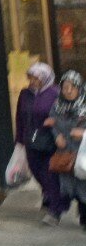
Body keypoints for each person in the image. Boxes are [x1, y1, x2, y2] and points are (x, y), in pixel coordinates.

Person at [14, 63, 62, 221]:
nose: (32, 81)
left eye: (36, 78)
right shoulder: (25, 94)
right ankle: (49, 194)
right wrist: (19, 139)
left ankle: (55, 209)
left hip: (49, 140)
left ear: (44, 78)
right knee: (36, 170)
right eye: (31, 78)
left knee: (50, 174)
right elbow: (20, 117)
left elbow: (63, 116)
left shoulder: (55, 93)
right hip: (30, 140)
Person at [45, 70, 86, 227]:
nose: (68, 91)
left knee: (83, 185)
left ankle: (84, 217)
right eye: (65, 87)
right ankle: (56, 213)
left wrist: (83, 133)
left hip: (82, 154)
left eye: (72, 87)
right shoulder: (57, 106)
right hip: (64, 153)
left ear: (79, 88)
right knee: (64, 185)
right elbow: (52, 123)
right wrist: (56, 136)